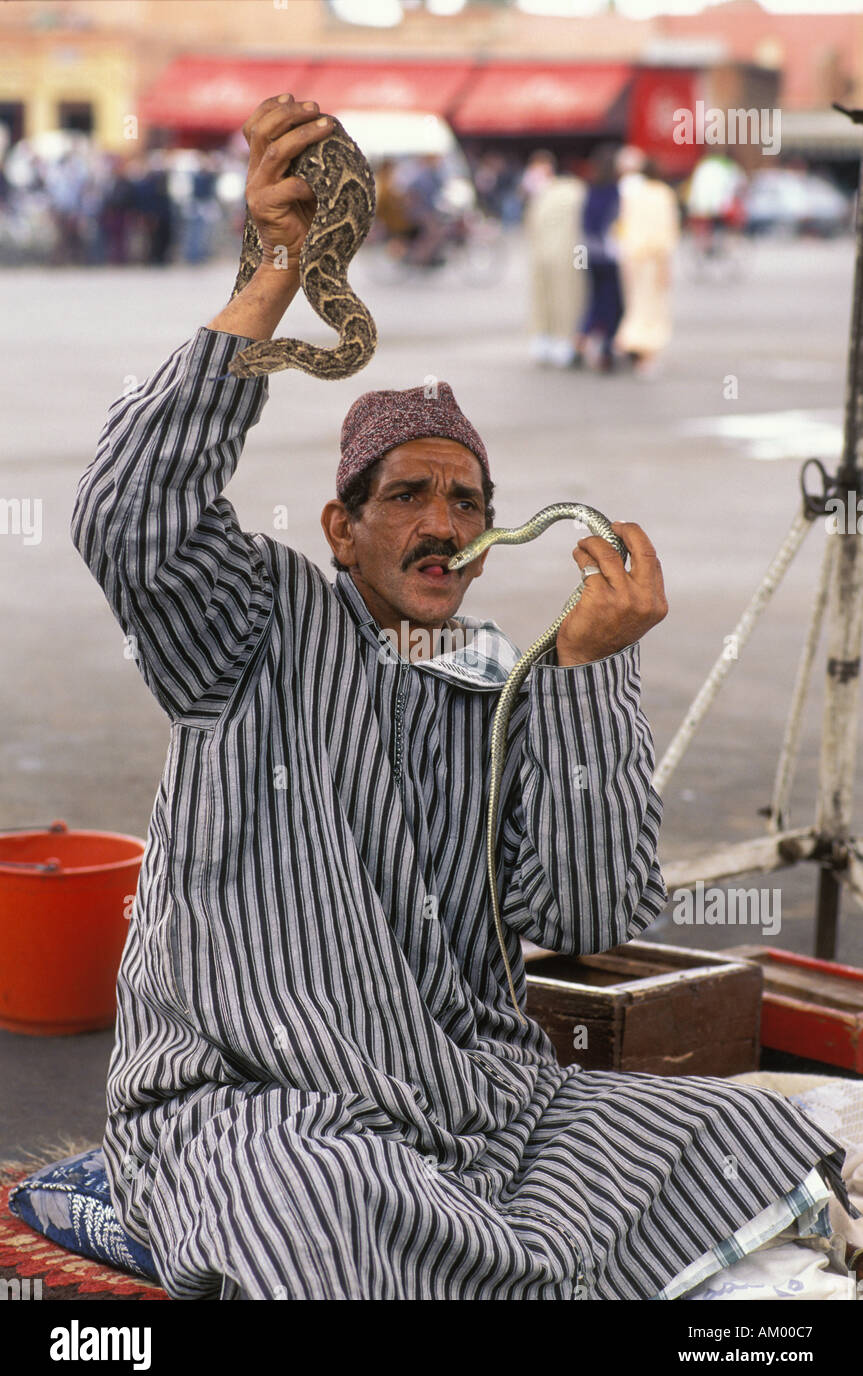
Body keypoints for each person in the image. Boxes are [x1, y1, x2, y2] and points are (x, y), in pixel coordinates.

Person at [71, 96, 856, 1301]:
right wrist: (276, 270)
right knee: (315, 1211)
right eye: (407, 497)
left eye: (467, 503)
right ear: (340, 527)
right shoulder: (253, 624)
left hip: (482, 1100)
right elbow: (130, 514)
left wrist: (588, 673)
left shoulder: (502, 681)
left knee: (733, 1135)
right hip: (261, 1100)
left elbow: (586, 909)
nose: (442, 524)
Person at [613, 148, 681, 376]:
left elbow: (623, 226)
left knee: (636, 303)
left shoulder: (634, 194)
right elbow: (667, 232)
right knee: (654, 306)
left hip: (633, 256)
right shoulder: (663, 194)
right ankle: (645, 353)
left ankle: (630, 342)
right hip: (654, 258)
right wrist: (665, 264)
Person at [522, 149, 587, 368]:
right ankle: (556, 341)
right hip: (561, 255)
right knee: (560, 298)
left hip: (553, 255)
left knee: (553, 298)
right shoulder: (570, 192)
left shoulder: (550, 195)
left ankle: (553, 341)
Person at [577, 144, 624, 373]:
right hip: (609, 254)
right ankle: (606, 349)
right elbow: (616, 224)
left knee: (594, 299)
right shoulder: (616, 192)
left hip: (589, 253)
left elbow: (585, 224)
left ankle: (581, 337)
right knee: (612, 304)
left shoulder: (590, 190)